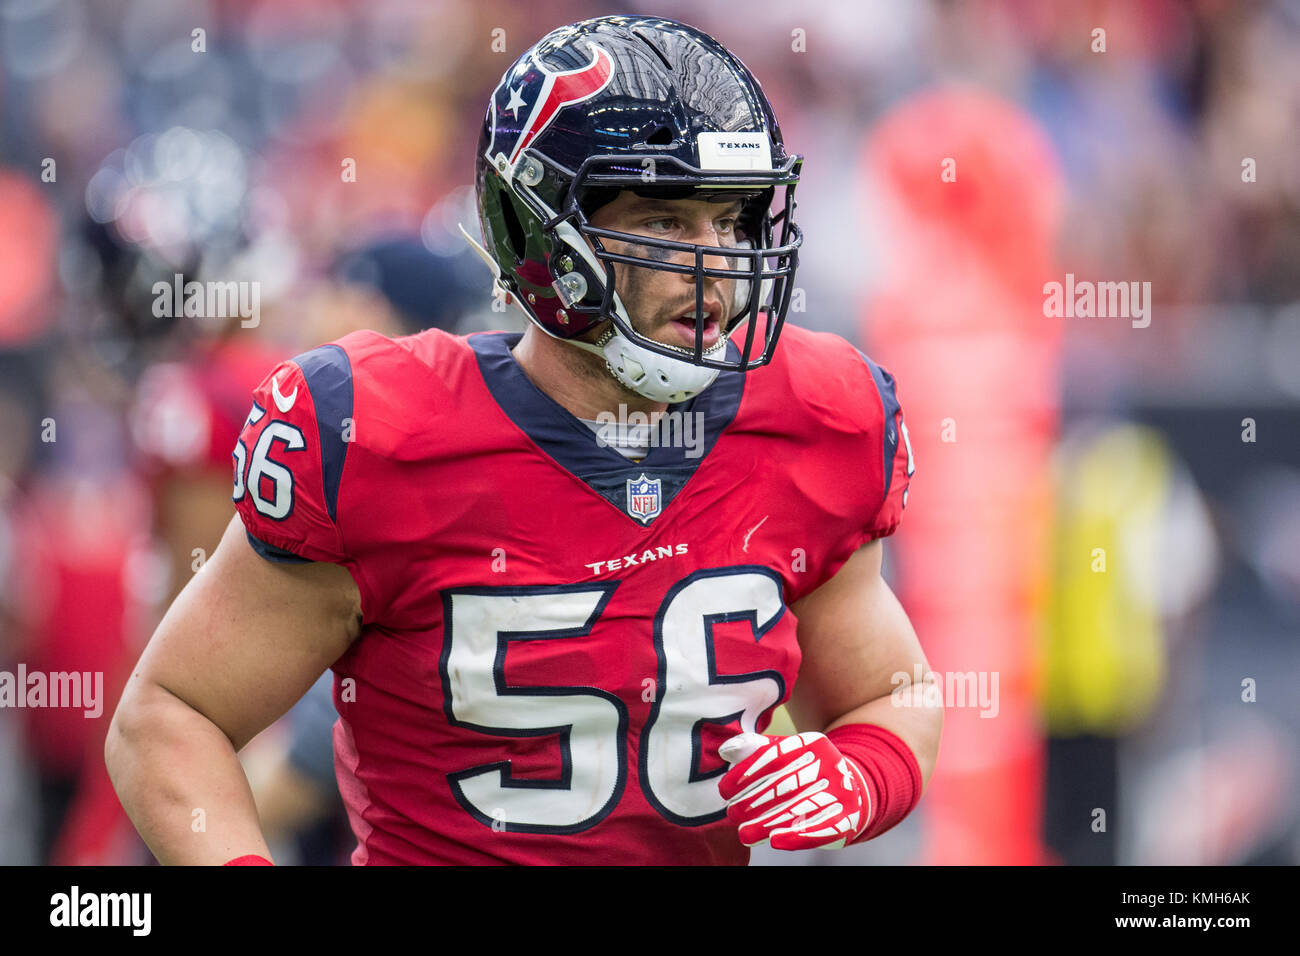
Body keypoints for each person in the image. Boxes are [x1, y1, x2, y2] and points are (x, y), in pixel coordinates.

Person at [107, 14, 941, 866]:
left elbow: (893, 692)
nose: (715, 265)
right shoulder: (378, 435)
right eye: (665, 222)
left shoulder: (814, 418)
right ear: (542, 231)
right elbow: (171, 713)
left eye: (729, 223)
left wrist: (862, 776)